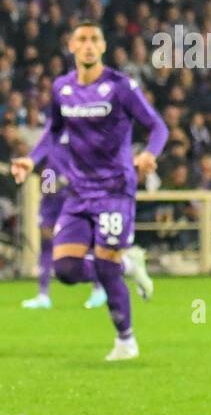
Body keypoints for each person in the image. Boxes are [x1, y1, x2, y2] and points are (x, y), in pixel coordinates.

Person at [9, 22, 163, 360]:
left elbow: (157, 126)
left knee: (105, 265)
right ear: (72, 46)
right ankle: (129, 265)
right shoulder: (62, 88)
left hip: (115, 190)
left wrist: (149, 153)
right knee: (65, 269)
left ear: (103, 46)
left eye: (95, 39)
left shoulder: (120, 87)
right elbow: (53, 131)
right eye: (82, 39)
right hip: (78, 193)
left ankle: (126, 340)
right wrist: (31, 160)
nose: (89, 45)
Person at [18, 138, 107, 311]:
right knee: (46, 244)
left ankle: (99, 287)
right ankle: (43, 295)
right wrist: (55, 185)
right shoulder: (51, 145)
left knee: (81, 247)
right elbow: (45, 177)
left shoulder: (82, 145)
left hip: (74, 202)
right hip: (51, 204)